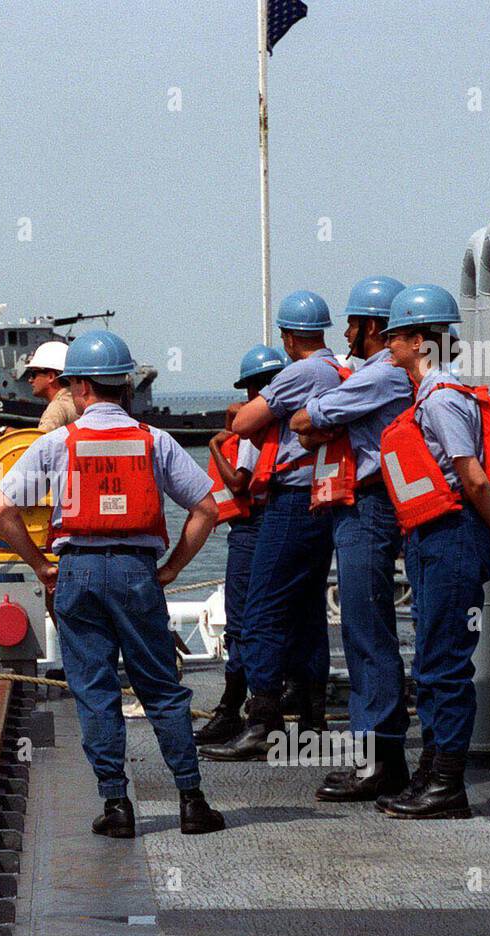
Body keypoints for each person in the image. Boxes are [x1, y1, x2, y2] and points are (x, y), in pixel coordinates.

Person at [0, 330, 226, 838]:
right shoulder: (154, 441)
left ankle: (116, 807)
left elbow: (1, 511)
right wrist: (172, 569)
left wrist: (40, 566)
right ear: (124, 385)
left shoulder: (58, 443)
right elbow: (207, 509)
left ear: (79, 388)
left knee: (95, 691)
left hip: (75, 571)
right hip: (137, 574)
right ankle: (191, 801)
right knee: (162, 688)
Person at [373, 284, 490, 820]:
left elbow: (471, 476)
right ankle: (432, 770)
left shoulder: (444, 398)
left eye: (396, 338)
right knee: (429, 659)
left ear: (421, 341)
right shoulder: (428, 396)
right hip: (432, 537)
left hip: (453, 533)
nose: (389, 347)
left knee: (445, 661)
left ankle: (448, 785)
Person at [287, 276, 417, 801]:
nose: (344, 331)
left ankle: (380, 761)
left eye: (353, 322)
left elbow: (304, 420)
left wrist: (319, 421)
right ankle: (381, 758)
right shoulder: (380, 374)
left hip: (369, 506)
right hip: (364, 506)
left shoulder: (382, 375)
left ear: (375, 328)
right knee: (366, 629)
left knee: (366, 632)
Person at [200, 291, 343, 762]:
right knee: (306, 613)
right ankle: (312, 720)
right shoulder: (340, 370)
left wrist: (230, 426)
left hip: (290, 501)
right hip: (323, 500)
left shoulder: (300, 372)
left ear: (287, 336)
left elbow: (246, 421)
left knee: (259, 611)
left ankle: (262, 721)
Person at [194, 345, 290, 747]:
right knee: (273, 620)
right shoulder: (288, 423)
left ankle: (235, 711)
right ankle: (271, 709)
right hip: (283, 521)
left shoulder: (252, 428)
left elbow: (238, 484)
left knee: (242, 623)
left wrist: (217, 444)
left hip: (252, 528)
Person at [25, 340, 79, 432]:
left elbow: (42, 443)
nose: (30, 380)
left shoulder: (56, 408)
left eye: (34, 374)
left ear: (51, 377)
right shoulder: (79, 403)